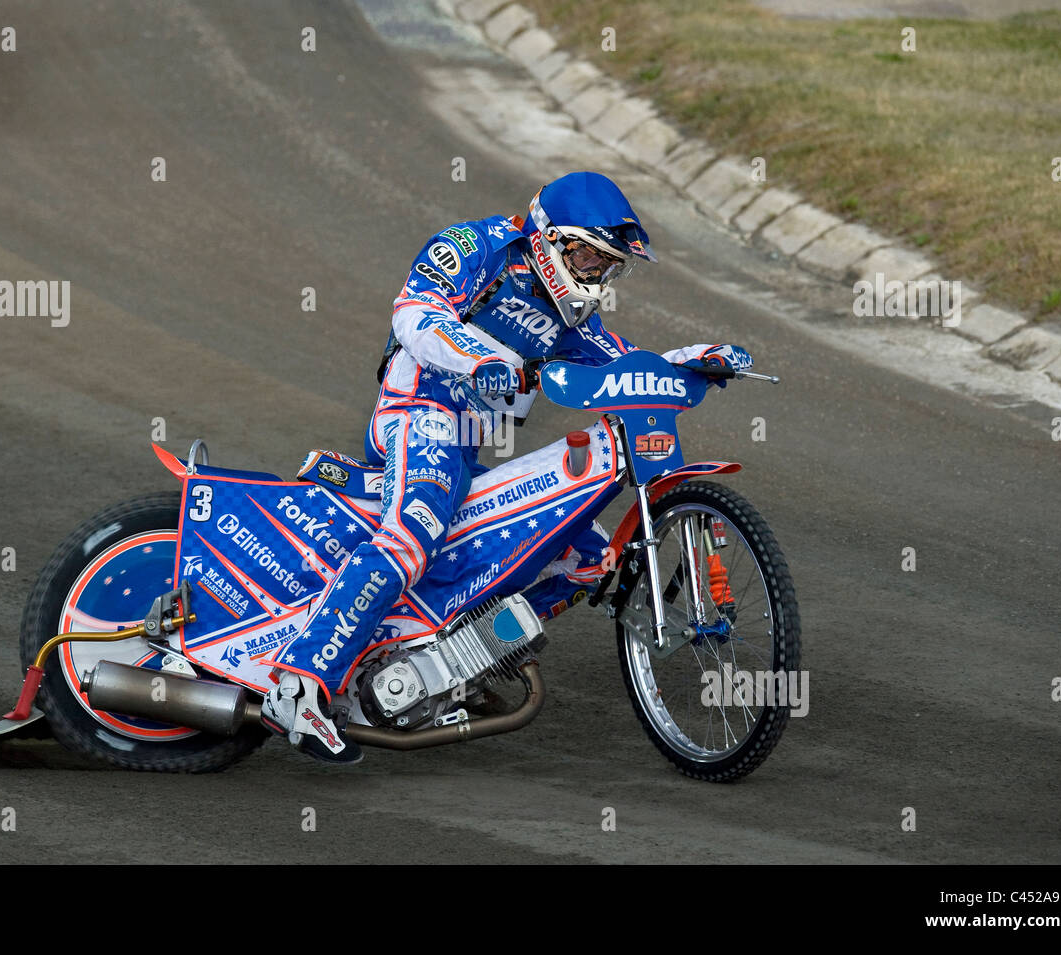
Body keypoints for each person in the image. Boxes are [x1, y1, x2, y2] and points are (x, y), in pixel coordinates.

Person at [260, 171, 720, 763]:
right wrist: (480, 358)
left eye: (605, 267)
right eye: (585, 257)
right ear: (552, 238)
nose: (594, 277)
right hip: (418, 407)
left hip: (469, 443)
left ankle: (457, 661)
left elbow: (625, 368)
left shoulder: (574, 319)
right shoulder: (474, 248)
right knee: (416, 528)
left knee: (588, 556)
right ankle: (299, 683)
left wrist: (693, 361)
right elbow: (414, 314)